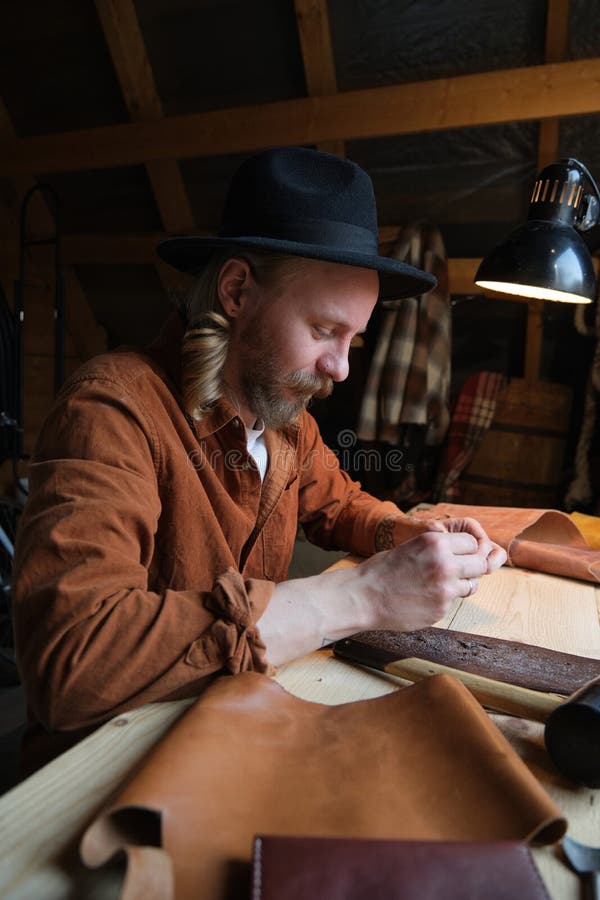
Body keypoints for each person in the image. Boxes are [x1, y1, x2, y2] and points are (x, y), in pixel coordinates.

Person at [13, 147, 506, 768]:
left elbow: (339, 502)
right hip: (98, 775)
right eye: (325, 330)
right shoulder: (111, 410)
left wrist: (413, 535)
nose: (342, 368)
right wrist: (358, 599)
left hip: (234, 733)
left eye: (354, 339)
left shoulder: (287, 422)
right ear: (238, 289)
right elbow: (73, 664)